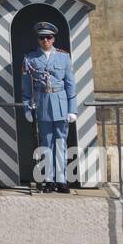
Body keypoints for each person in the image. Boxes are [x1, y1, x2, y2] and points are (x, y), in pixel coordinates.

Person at [20, 21, 77, 193]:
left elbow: (70, 84)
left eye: (49, 37)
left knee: (61, 142)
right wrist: (27, 108)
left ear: (53, 39)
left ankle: (62, 180)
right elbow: (26, 86)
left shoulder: (64, 57)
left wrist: (72, 109)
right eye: (42, 37)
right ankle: (49, 180)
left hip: (61, 104)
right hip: (43, 104)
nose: (45, 40)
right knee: (46, 143)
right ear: (38, 39)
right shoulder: (30, 59)